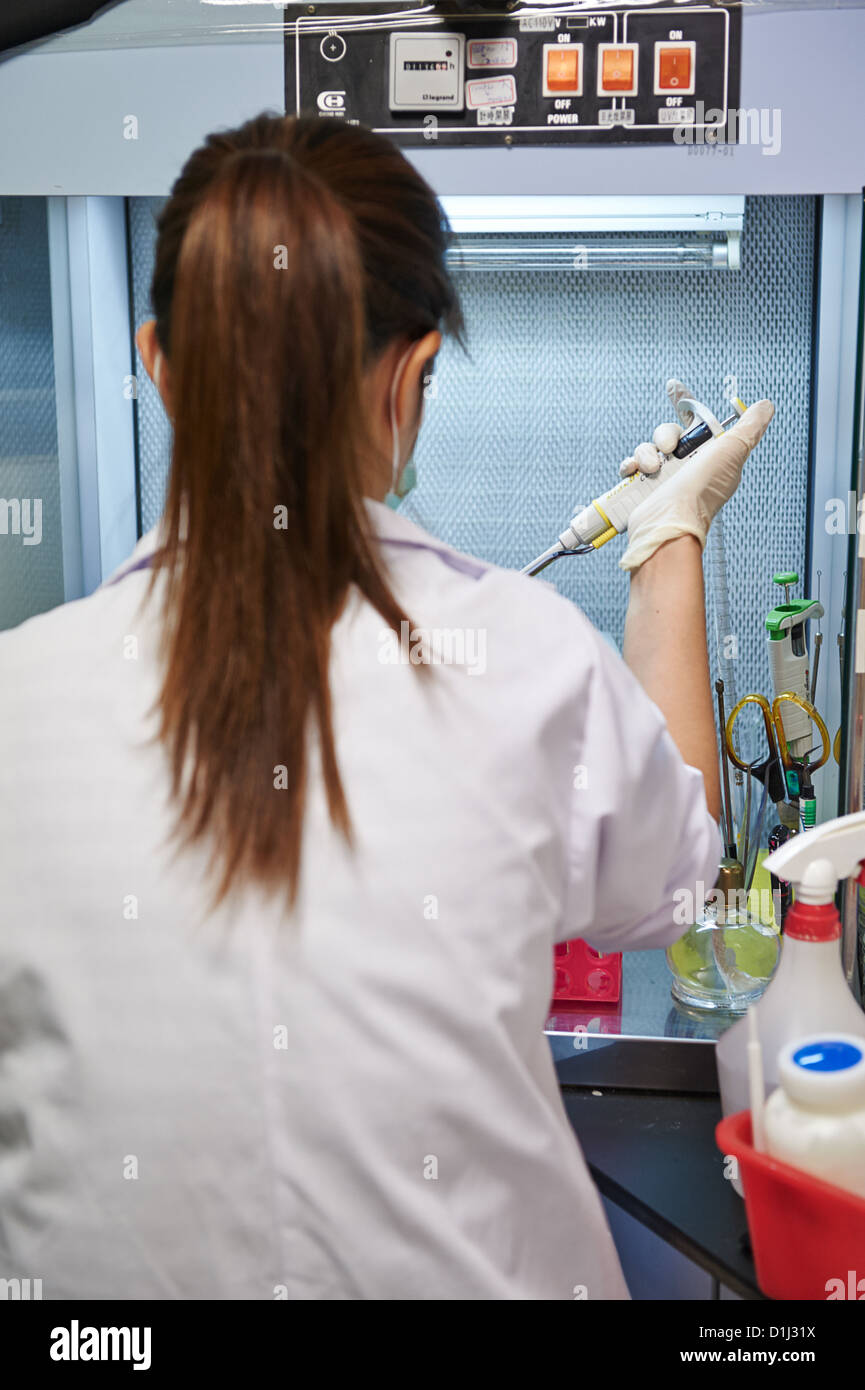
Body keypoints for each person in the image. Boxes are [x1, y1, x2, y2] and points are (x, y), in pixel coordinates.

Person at [0, 113, 772, 1300]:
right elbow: (681, 883)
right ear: (413, 372)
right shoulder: (521, 658)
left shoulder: (18, 699)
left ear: (157, 364)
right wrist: (669, 537)